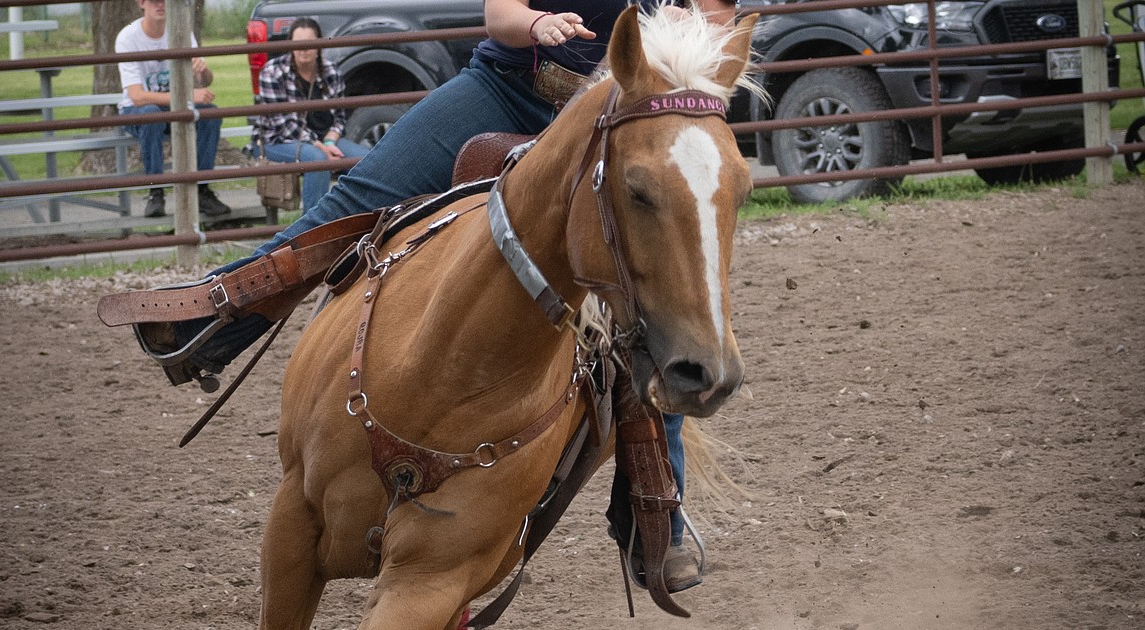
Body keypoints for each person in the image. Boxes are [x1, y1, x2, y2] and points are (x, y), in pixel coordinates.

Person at [138, 0, 737, 592]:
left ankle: (657, 517)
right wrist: (537, 24)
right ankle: (216, 322)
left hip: (620, 116)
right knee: (354, 202)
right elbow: (500, 13)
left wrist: (692, 38)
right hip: (506, 87)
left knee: (657, 304)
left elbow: (710, 15)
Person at [116, 0, 231, 218]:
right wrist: (189, 96)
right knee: (151, 114)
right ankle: (155, 192)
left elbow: (205, 81)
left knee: (210, 114)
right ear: (141, 3)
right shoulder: (128, 37)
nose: (161, 5)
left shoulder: (180, 31)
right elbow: (137, 96)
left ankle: (202, 190)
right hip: (137, 111)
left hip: (173, 107)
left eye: (166, 0)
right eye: (154, 0)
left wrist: (203, 70)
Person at [251, 18, 369, 213]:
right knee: (317, 160)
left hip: (324, 140)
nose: (304, 49)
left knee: (366, 160)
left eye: (310, 44)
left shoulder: (332, 72)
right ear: (290, 45)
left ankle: (355, 222)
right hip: (277, 140)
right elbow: (284, 124)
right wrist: (321, 148)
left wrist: (330, 143)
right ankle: (312, 230)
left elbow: (340, 116)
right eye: (298, 44)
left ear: (319, 46)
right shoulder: (272, 72)